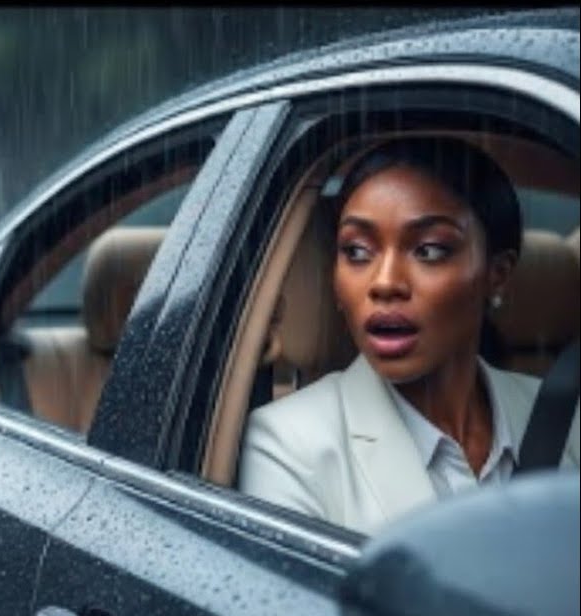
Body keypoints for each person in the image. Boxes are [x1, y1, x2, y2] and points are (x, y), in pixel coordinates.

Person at [239, 136, 579, 536]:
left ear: (496, 274)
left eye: (430, 251)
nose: (384, 284)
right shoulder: (287, 443)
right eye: (358, 252)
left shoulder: (566, 417)